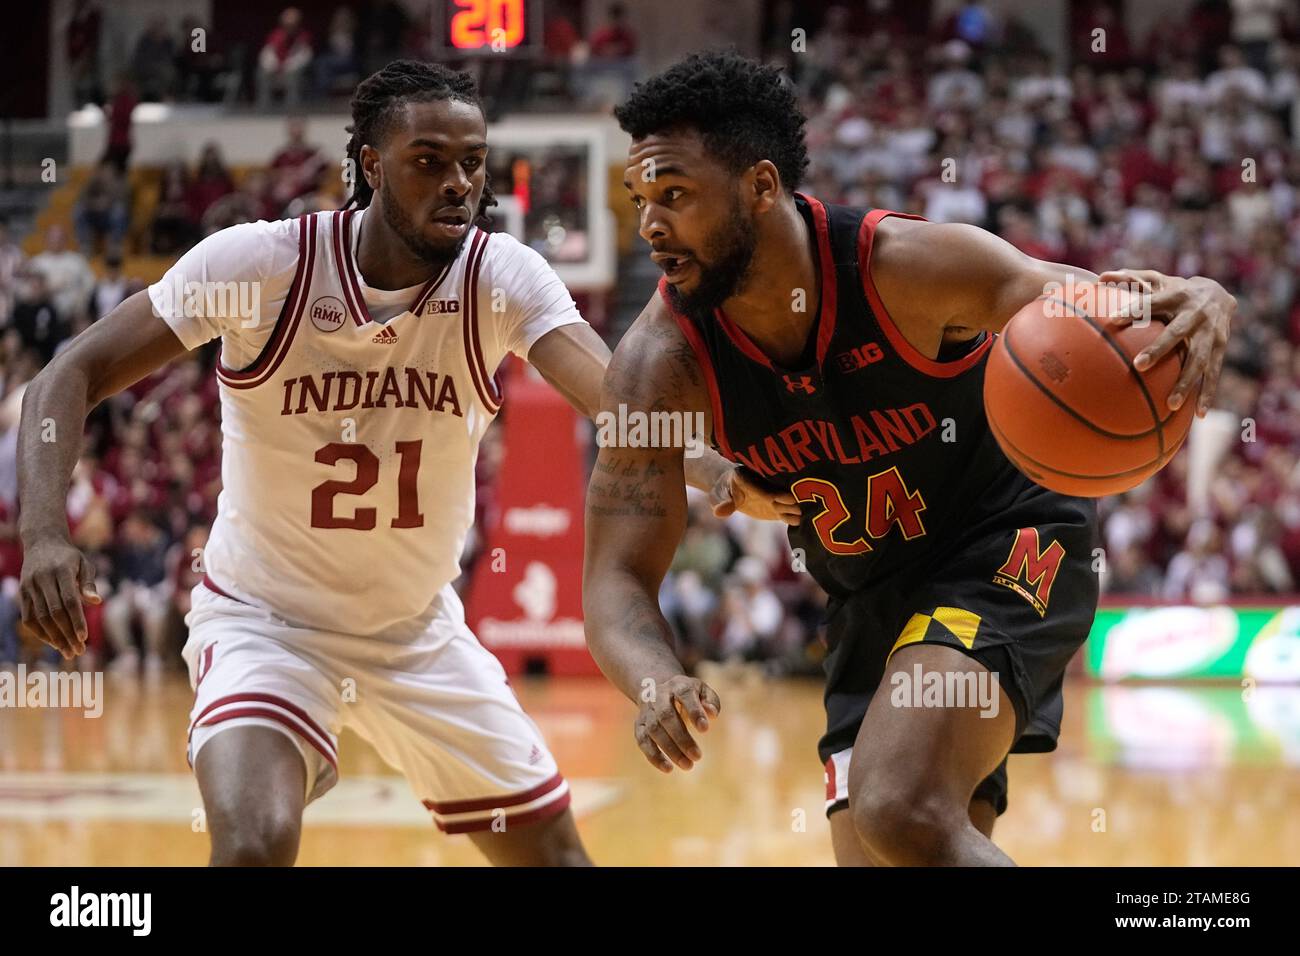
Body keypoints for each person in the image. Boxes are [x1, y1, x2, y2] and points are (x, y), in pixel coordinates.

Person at [17, 60, 780, 867]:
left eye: (473, 162)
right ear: (372, 165)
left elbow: (614, 400)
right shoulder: (259, 268)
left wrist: (711, 464)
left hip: (415, 631)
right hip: (267, 621)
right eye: (430, 161)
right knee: (251, 846)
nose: (460, 183)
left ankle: (310, 748)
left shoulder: (499, 278)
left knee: (560, 862)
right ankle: (286, 738)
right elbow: (67, 375)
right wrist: (41, 533)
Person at [581, 51, 1235, 866]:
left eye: (674, 196)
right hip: (867, 600)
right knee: (901, 842)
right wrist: (654, 678)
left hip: (1006, 546)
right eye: (641, 199)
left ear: (759, 185)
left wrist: (1203, 295)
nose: (649, 224)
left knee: (899, 807)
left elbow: (1108, 313)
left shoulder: (912, 270)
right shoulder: (656, 366)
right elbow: (615, 576)